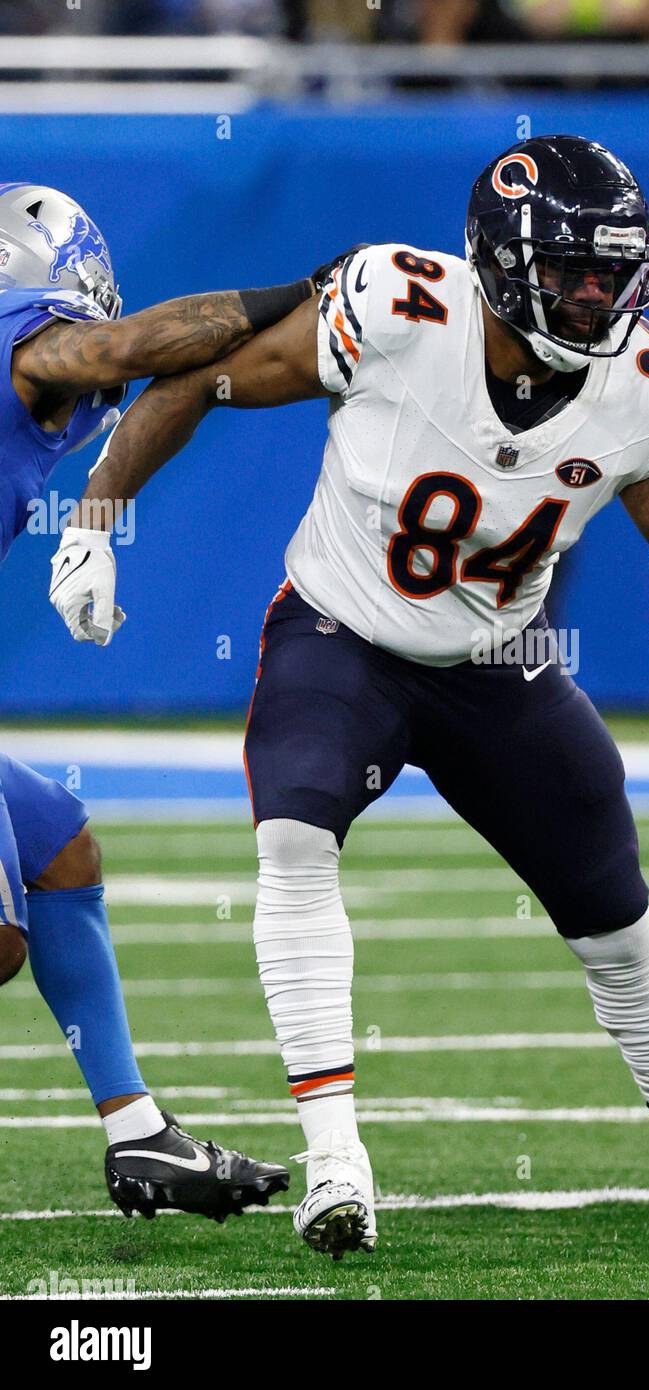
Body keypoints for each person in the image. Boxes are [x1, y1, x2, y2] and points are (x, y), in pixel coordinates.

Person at [52, 135, 649, 1259]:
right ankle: (334, 1160)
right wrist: (95, 517)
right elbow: (205, 377)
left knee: (620, 928)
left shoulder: (647, 384)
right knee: (294, 845)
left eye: (615, 270)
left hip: (498, 666)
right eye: (572, 269)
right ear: (503, 262)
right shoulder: (402, 310)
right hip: (340, 636)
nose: (598, 293)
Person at [0, 179, 345, 1218]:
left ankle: (137, 1132)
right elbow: (117, 351)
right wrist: (306, 286)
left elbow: (177, 368)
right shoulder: (33, 347)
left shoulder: (52, 383)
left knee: (59, 849)